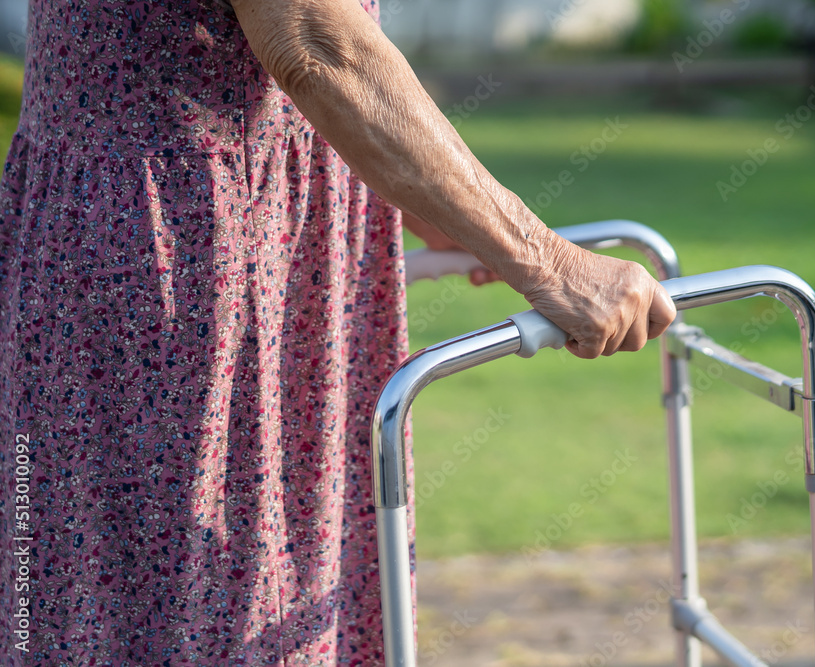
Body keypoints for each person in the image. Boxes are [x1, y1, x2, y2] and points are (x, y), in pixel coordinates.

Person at [0, 0, 676, 663]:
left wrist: (446, 205)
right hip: (183, 263)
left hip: (151, 236)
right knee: (200, 611)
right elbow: (318, 44)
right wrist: (547, 260)